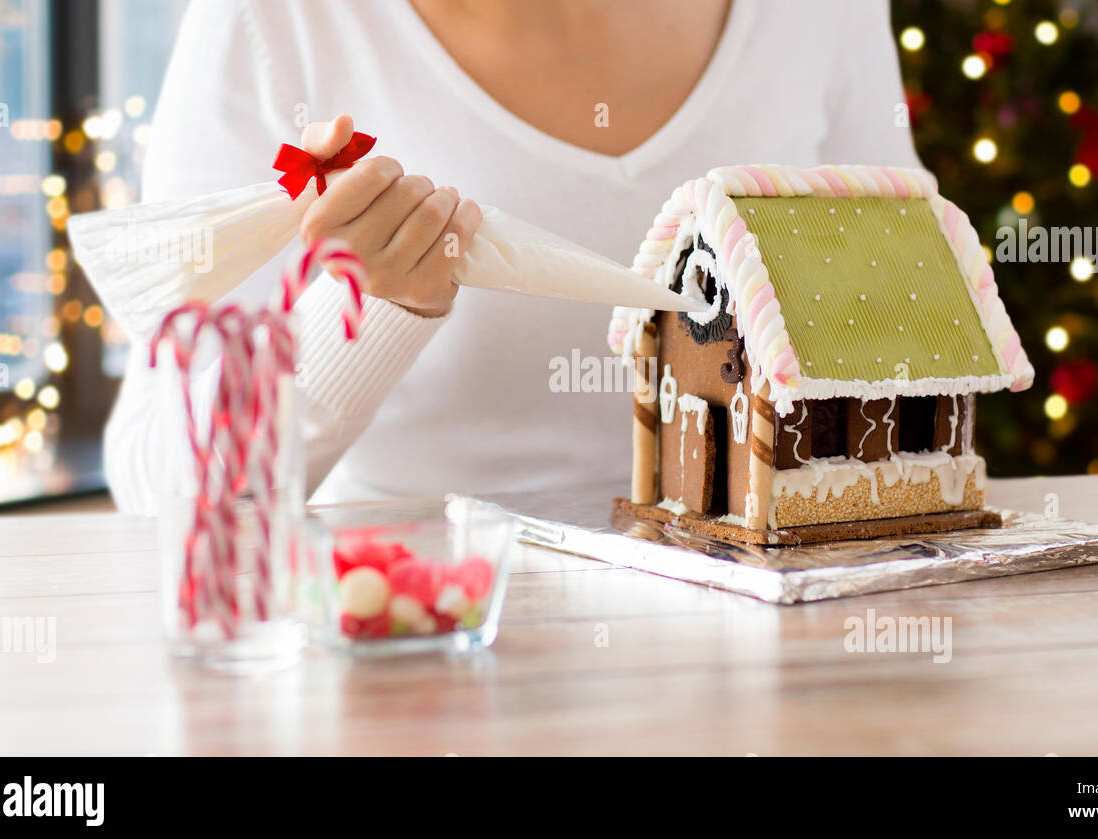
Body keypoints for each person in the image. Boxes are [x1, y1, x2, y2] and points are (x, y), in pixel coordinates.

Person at [104, 0, 920, 514]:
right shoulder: (273, 23)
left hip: (774, 669)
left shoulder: (822, 13)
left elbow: (907, 337)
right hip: (411, 650)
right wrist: (368, 313)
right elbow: (160, 492)